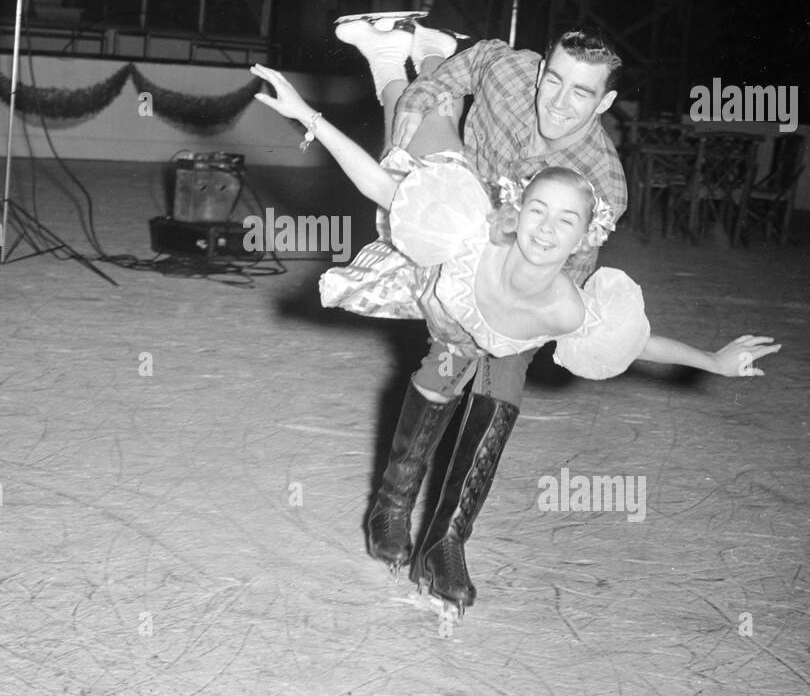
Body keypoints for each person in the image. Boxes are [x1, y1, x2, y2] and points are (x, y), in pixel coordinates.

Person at [249, 47, 780, 614]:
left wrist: (713, 360)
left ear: (583, 240)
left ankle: (447, 542)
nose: (548, 230)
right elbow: (381, 186)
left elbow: (636, 343)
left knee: (501, 386)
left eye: (567, 222)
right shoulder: (470, 227)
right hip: (449, 277)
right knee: (421, 151)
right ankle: (394, 504)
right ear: (516, 208)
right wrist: (307, 114)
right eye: (539, 212)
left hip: (515, 320)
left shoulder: (569, 291)